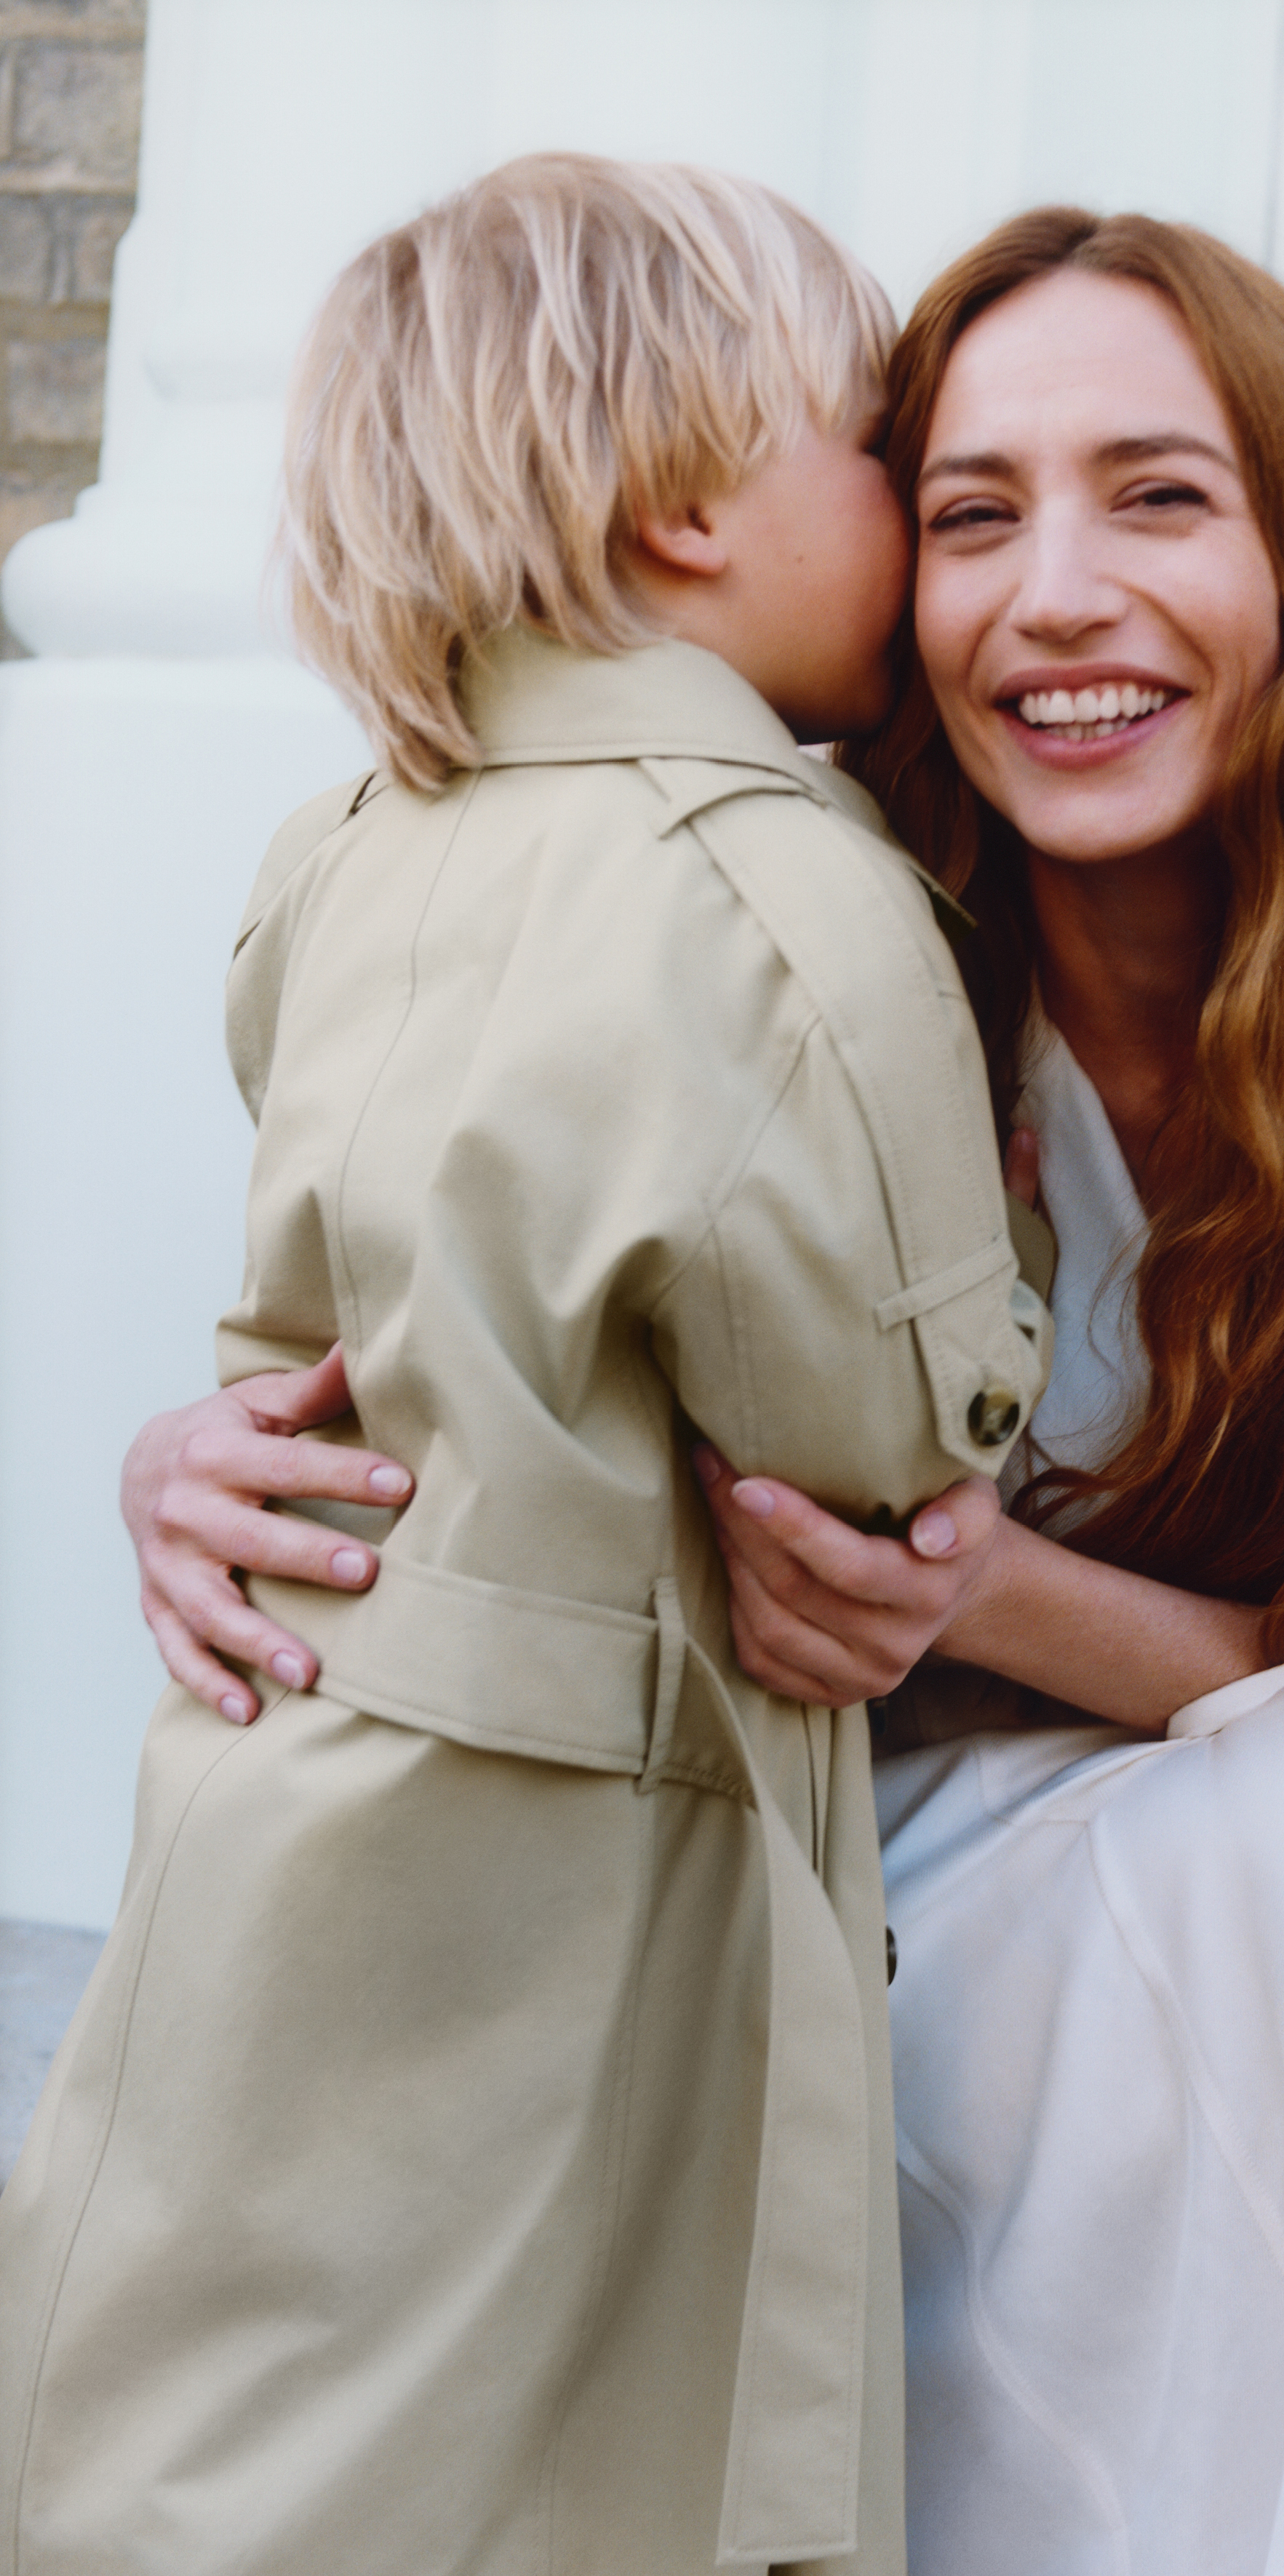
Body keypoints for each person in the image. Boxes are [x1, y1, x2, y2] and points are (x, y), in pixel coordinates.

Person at [118, 209, 1284, 2576]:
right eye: (964, 512)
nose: (1052, 593)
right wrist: (196, 1460)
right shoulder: (784, 963)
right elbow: (467, 1372)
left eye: (1156, 496)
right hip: (928, 1943)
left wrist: (994, 1593)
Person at [0, 157, 1050, 2576]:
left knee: (235, 2378)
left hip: (288, 1753)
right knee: (569, 2427)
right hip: (582, 1835)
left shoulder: (350, 835)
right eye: (875, 443)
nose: (903, 497)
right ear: (693, 505)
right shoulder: (792, 892)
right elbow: (879, 1423)